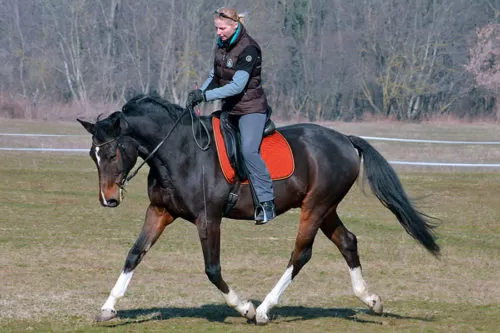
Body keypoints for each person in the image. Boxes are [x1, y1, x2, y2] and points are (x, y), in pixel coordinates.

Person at [186, 7, 275, 224]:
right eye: (217, 28)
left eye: (222, 28)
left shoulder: (249, 49)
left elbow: (237, 86)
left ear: (235, 25)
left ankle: (267, 203)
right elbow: (214, 75)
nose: (218, 32)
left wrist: (205, 96)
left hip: (251, 109)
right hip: (230, 109)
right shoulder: (222, 44)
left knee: (248, 150)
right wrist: (199, 94)